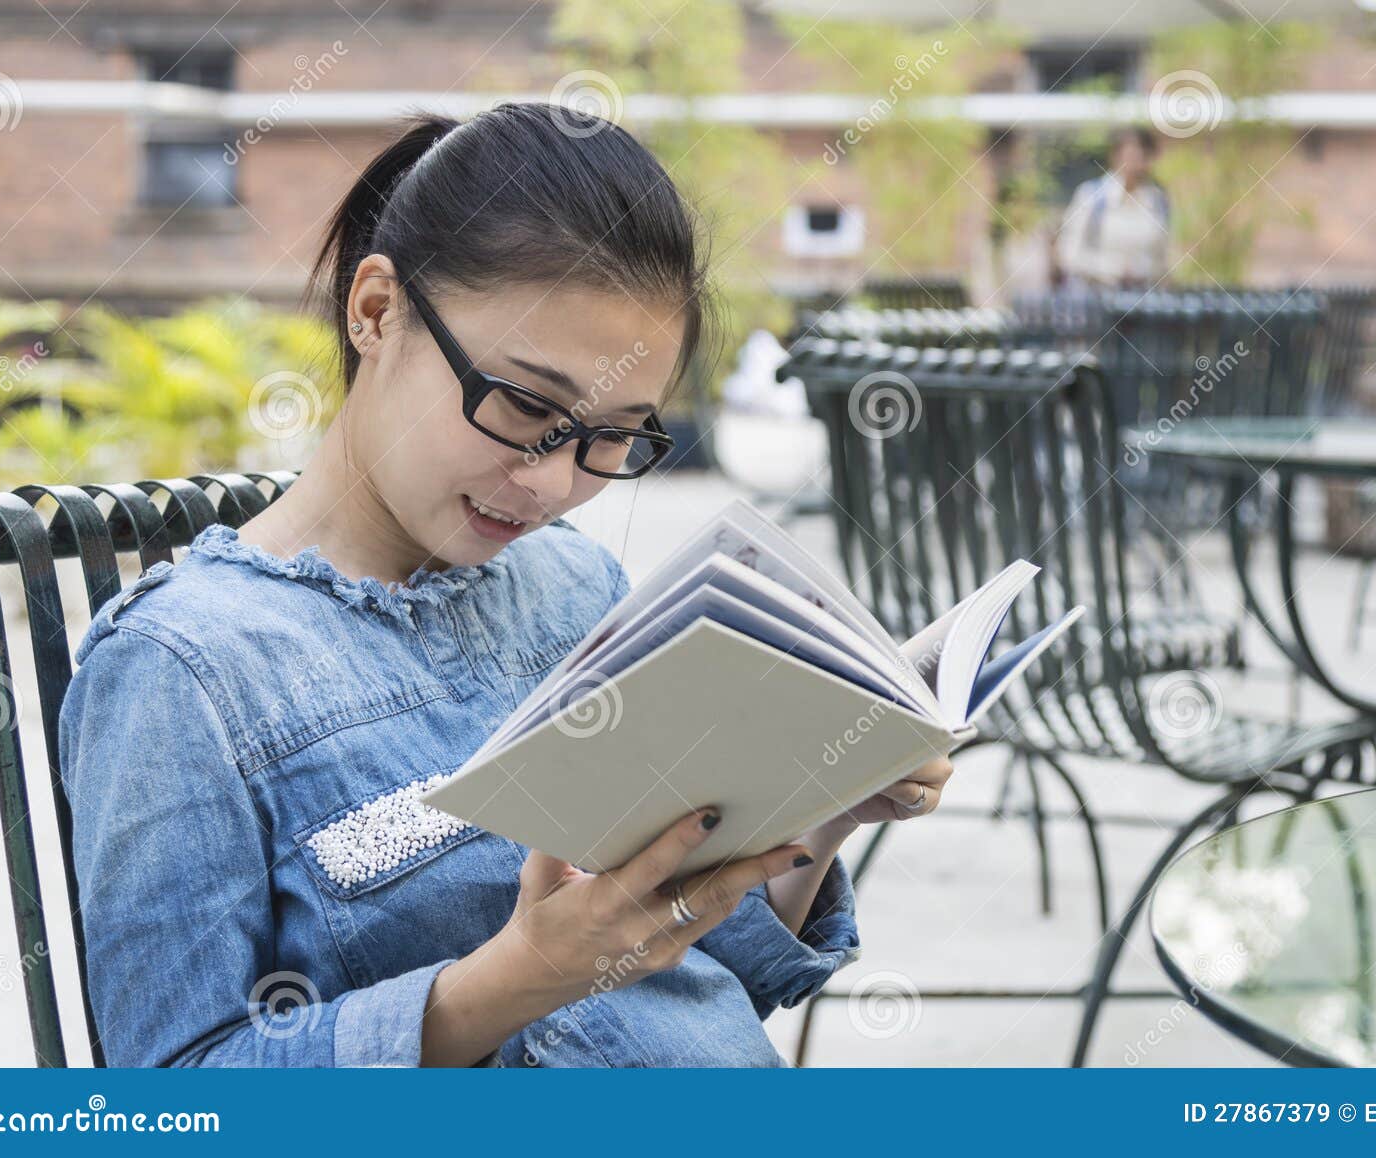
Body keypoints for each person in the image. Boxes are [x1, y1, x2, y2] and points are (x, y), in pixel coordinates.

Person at [58, 104, 954, 1068]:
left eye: (614, 437)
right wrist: (519, 977)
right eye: (526, 404)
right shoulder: (183, 673)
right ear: (375, 311)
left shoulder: (576, 585)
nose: (553, 482)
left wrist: (823, 804)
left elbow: (707, 973)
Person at [1055, 127, 1170, 290]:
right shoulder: (1092, 195)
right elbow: (1067, 252)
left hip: (1145, 295)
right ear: (1115, 156)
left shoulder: (1157, 200)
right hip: (1097, 294)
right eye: (1129, 155)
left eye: (1142, 155)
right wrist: (1109, 269)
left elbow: (1163, 258)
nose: (1135, 162)